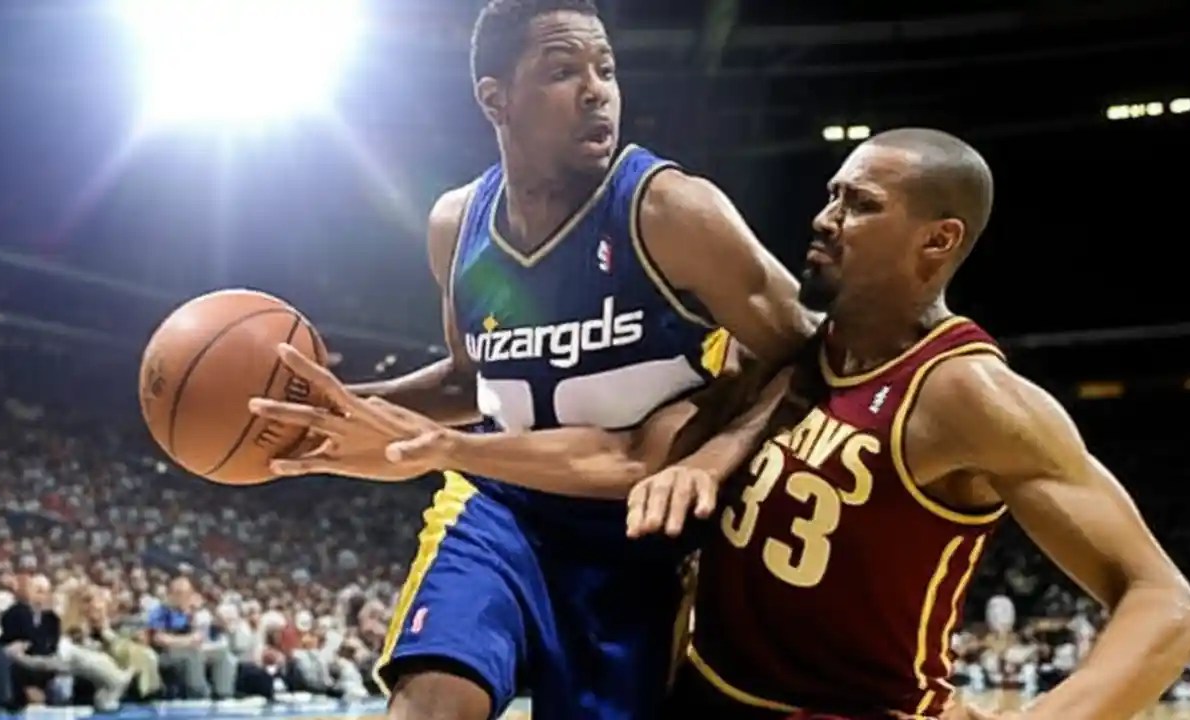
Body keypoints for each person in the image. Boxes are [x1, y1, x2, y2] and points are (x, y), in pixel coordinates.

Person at [316, 128, 1190, 720]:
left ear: (937, 242)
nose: (824, 218)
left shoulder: (968, 395)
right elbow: (629, 451)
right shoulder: (768, 358)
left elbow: (1165, 606)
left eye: (861, 205)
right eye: (830, 194)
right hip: (701, 698)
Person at [248, 1, 817, 718]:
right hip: (502, 510)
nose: (596, 89)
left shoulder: (668, 212)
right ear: (496, 97)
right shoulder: (458, 226)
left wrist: (717, 455)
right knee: (428, 704)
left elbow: (814, 353)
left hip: (643, 538)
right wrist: (332, 403)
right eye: (562, 70)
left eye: (605, 70)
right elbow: (472, 379)